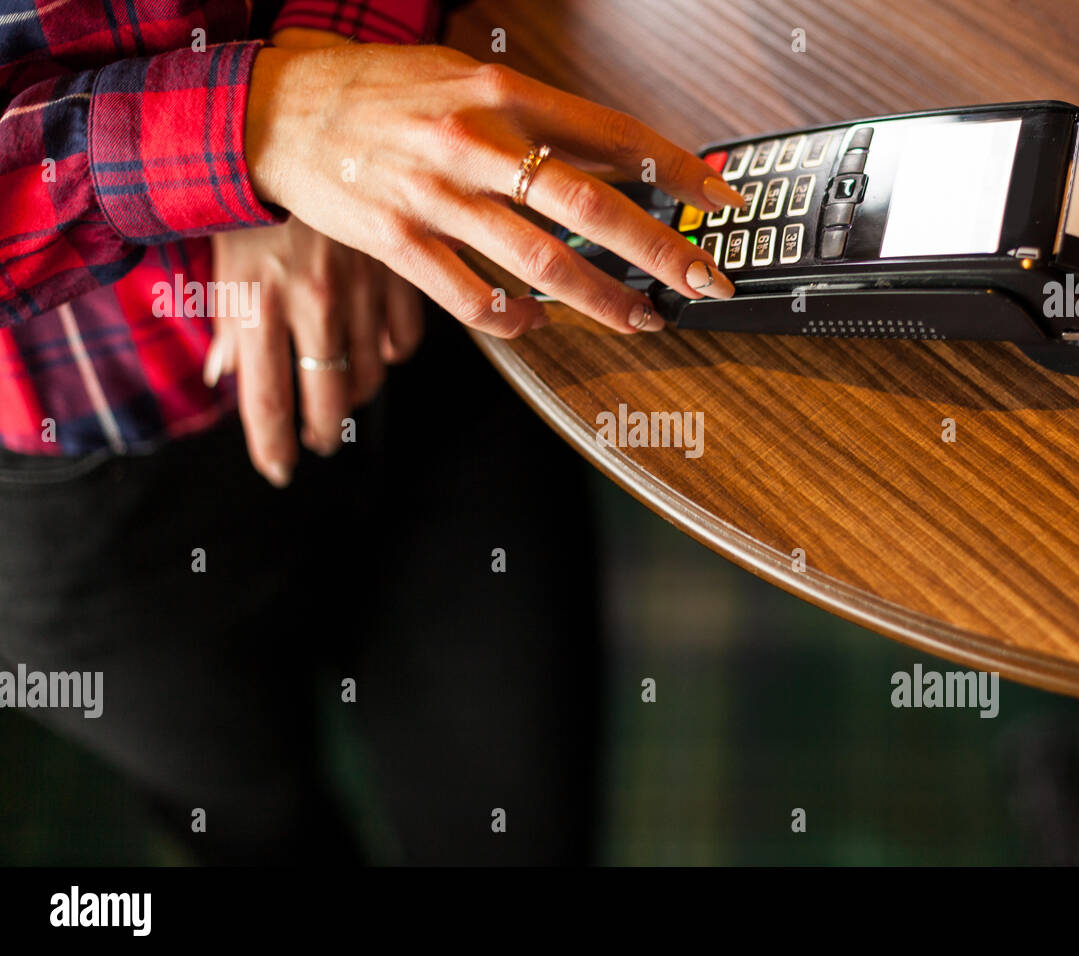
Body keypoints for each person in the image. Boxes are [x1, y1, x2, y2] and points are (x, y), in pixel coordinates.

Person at [0, 0, 743, 864]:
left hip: (429, 315)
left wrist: (340, 57)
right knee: (251, 832)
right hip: (90, 476)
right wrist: (254, 129)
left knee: (518, 831)